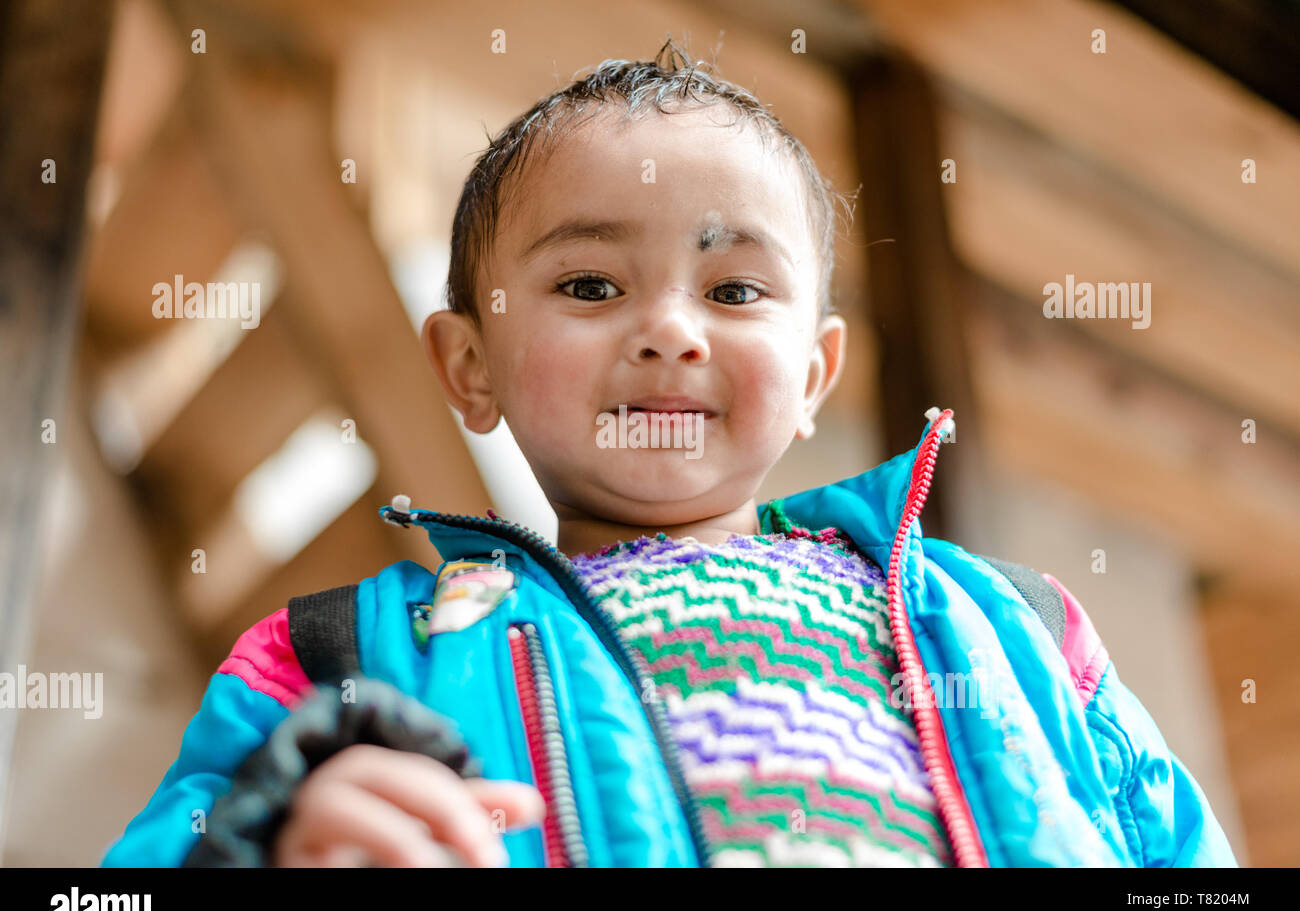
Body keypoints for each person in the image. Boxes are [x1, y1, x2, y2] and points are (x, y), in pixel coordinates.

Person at [101, 38, 1236, 868]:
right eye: (590, 285)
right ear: (469, 367)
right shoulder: (343, 657)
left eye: (735, 289)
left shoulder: (1012, 628)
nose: (669, 329)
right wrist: (271, 845)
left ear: (810, 377)